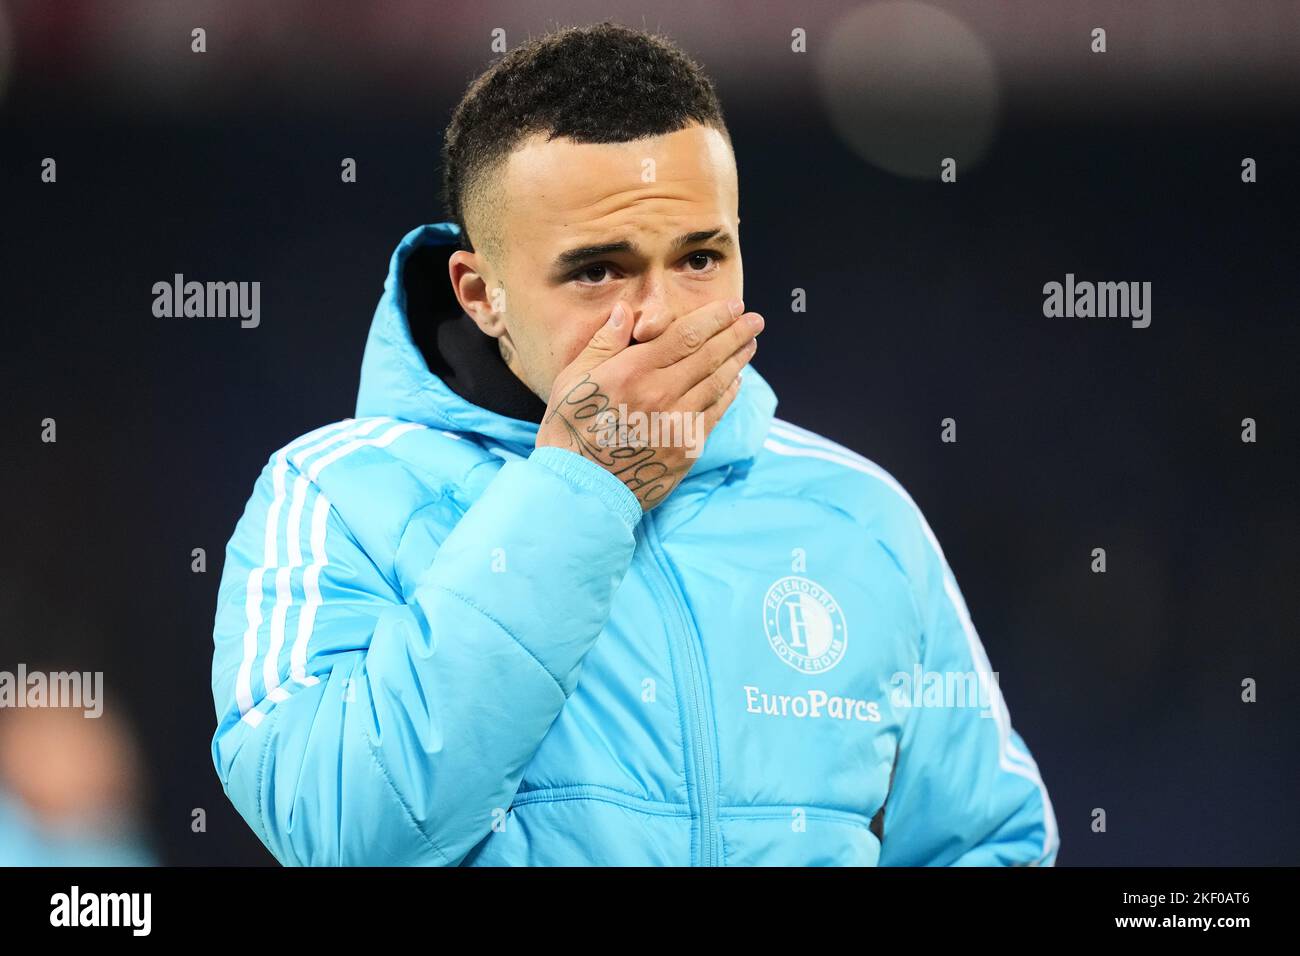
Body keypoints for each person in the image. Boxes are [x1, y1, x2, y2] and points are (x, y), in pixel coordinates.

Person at [209, 22, 1057, 866]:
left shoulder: (858, 515)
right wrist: (584, 487)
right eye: (597, 271)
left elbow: (992, 844)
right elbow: (346, 832)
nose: (661, 316)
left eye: (699, 258)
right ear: (480, 294)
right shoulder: (333, 499)